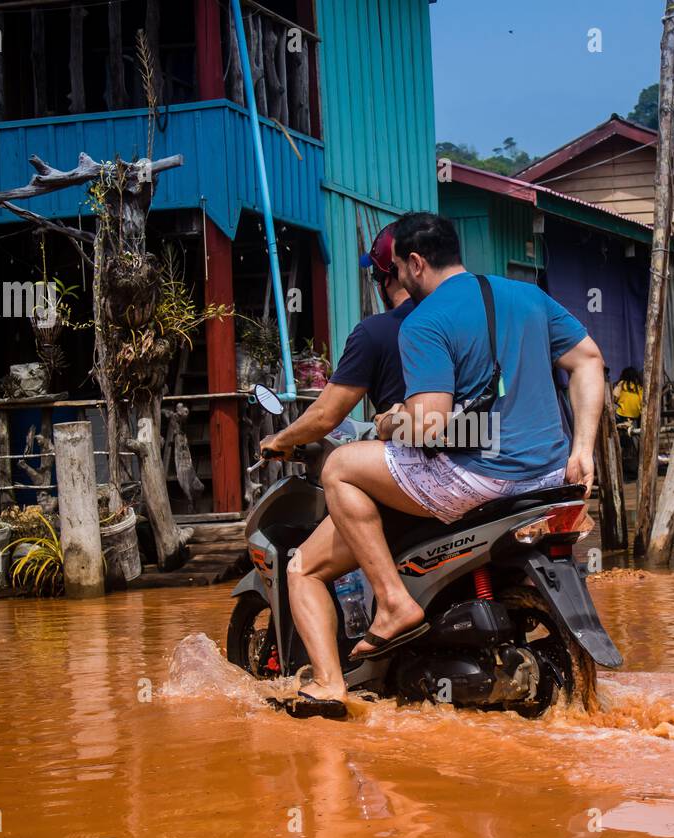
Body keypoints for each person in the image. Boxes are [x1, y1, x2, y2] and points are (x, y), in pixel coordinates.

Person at [319, 211, 605, 668]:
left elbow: (428, 425)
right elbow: (589, 359)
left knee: (339, 468)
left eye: (394, 269)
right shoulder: (528, 296)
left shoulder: (424, 322)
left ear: (415, 263)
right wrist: (582, 450)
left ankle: (393, 601)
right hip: (552, 477)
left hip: (481, 479)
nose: (395, 279)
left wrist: (392, 421)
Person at [259, 224, 412, 716]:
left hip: (410, 477)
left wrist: (280, 440)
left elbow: (327, 415)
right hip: (473, 470)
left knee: (301, 565)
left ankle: (328, 685)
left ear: (386, 276)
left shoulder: (377, 331)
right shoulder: (458, 323)